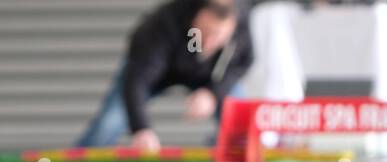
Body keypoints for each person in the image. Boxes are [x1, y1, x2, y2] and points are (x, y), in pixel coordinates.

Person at [76, 0, 255, 151]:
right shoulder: (162, 24)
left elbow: (243, 63)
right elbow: (137, 80)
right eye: (204, 33)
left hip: (207, 77)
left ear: (232, 26)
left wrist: (212, 93)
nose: (208, 42)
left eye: (217, 36)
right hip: (154, 72)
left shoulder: (241, 24)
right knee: (108, 124)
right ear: (197, 15)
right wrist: (141, 128)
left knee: (238, 120)